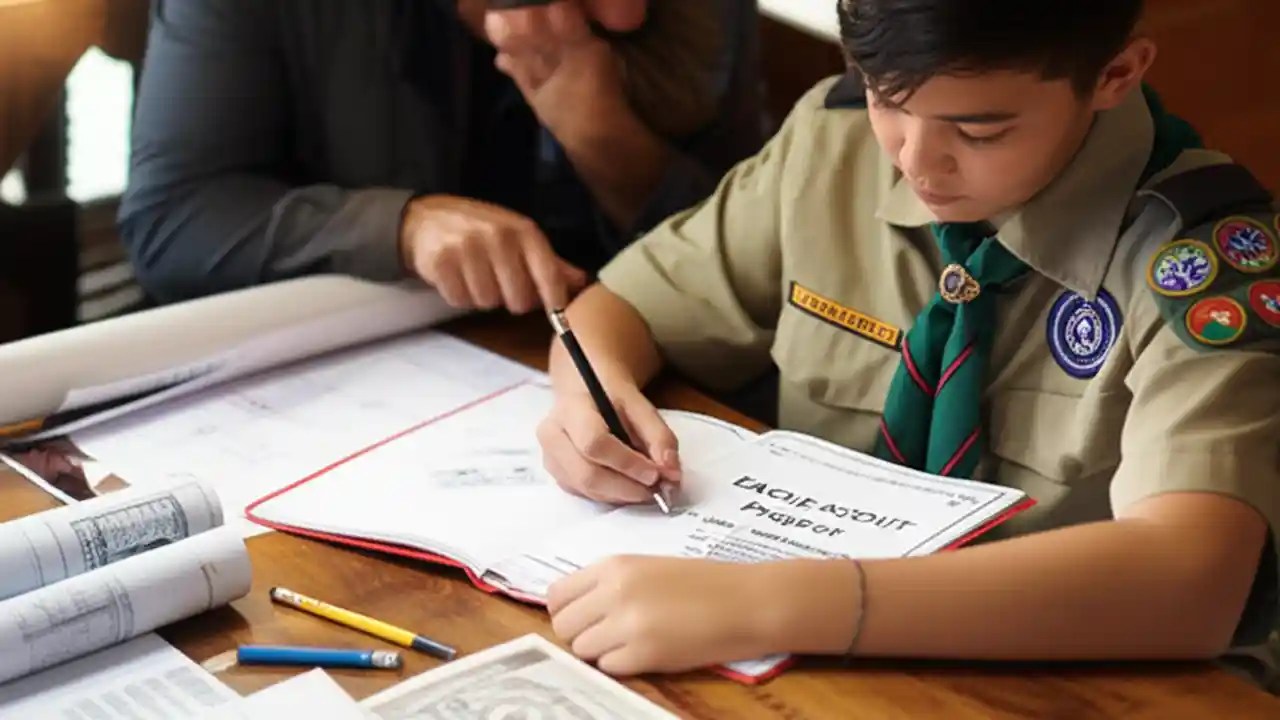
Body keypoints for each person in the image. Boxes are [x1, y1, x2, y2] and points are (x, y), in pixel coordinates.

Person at [535, 0, 1280, 689]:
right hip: (817, 664)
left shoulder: (1206, 257)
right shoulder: (833, 147)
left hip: (1076, 683)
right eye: (887, 100)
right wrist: (588, 400)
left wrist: (773, 602)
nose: (915, 161)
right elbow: (626, 306)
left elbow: (1193, 576)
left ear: (1116, 74)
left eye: (980, 130)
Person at [118, 0, 762, 312]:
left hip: (587, 391)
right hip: (298, 395)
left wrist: (604, 139)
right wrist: (403, 227)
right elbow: (171, 222)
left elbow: (753, 273)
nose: (629, 13)